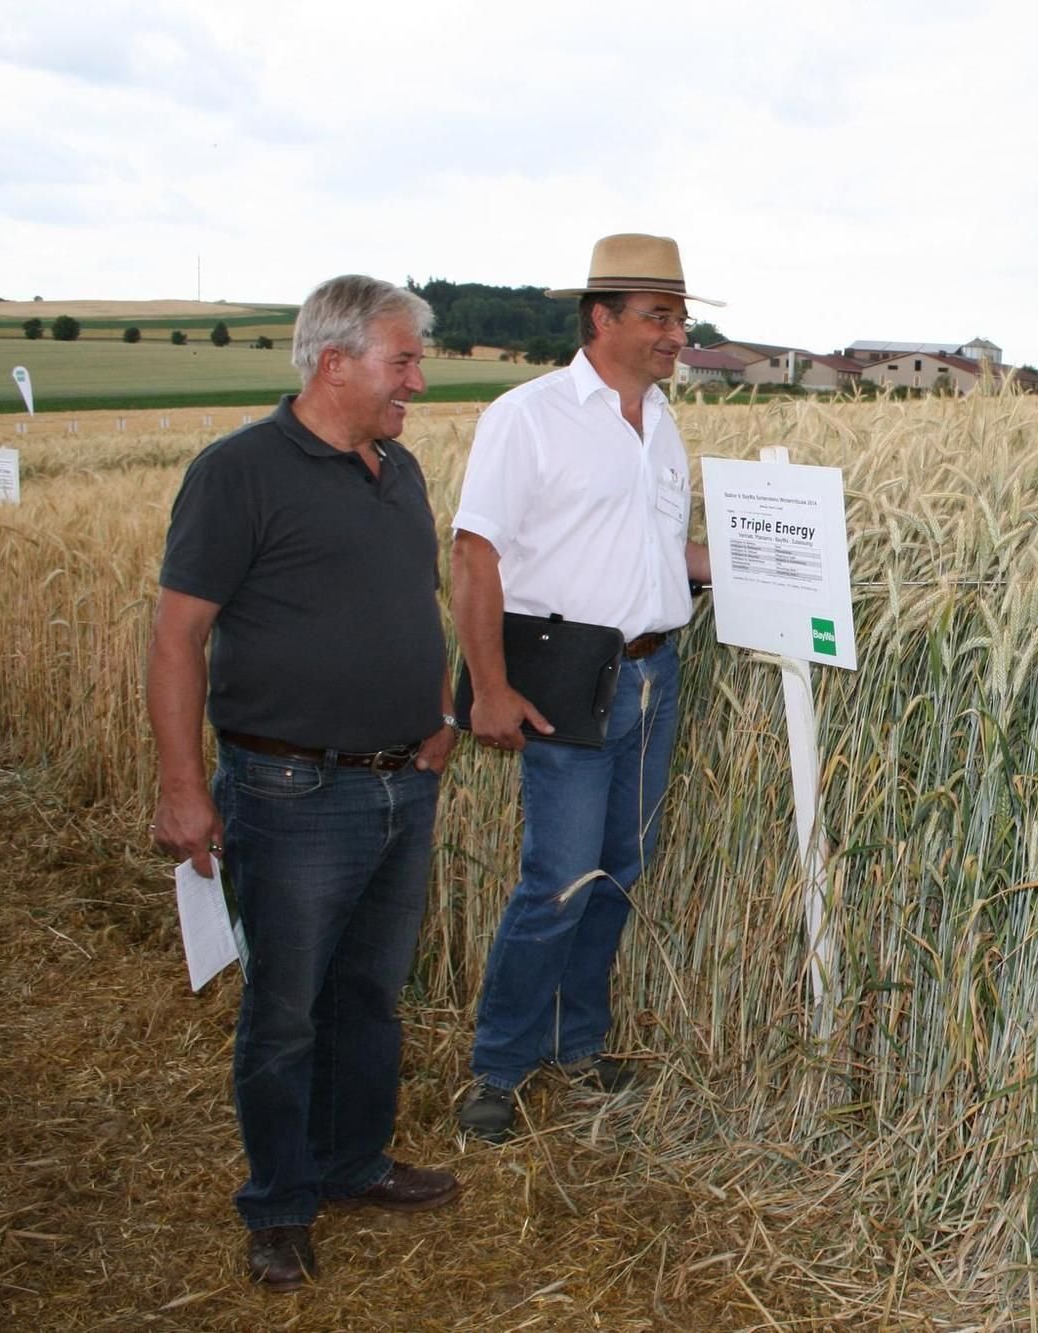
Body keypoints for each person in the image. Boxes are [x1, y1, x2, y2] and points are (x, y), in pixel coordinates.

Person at [147, 275, 463, 1292]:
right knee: (285, 1011)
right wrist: (183, 785)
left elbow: (410, 602)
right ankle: (280, 1202)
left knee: (369, 995)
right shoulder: (237, 473)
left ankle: (352, 1160)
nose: (418, 380)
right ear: (334, 362)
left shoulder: (400, 469)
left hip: (402, 783)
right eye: (402, 361)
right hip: (291, 791)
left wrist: (439, 713)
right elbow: (178, 636)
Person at [452, 233, 716, 1141]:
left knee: (618, 874)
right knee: (559, 882)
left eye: (681, 318)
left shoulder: (662, 423)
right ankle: (499, 1065)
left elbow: (660, 553)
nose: (677, 335)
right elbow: (474, 554)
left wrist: (773, 561)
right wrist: (488, 688)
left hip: (653, 674)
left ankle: (577, 1042)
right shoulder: (527, 417)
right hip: (566, 678)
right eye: (660, 316)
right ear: (602, 318)